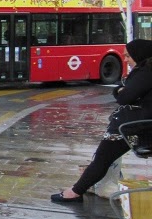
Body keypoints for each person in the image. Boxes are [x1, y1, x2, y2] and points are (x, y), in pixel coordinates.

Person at [51, 39, 152, 203]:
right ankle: (81, 189)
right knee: (104, 158)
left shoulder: (145, 72)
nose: (125, 60)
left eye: (128, 56)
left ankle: (75, 192)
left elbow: (125, 97)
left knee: (102, 158)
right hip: (140, 125)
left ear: (138, 55)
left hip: (133, 126)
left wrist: (119, 90)